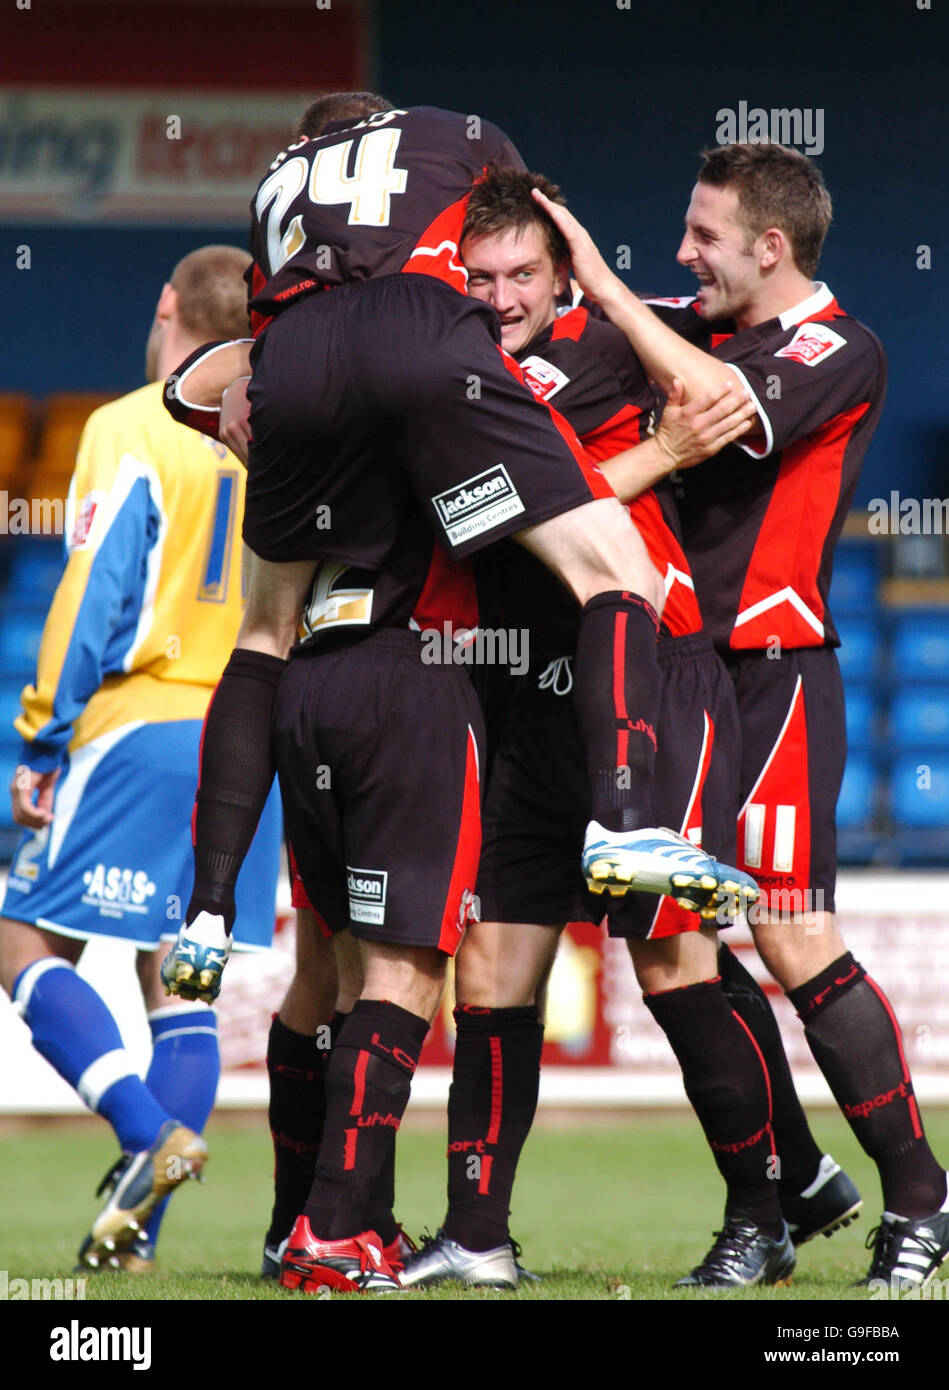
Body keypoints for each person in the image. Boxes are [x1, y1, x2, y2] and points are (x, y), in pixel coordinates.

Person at [401, 168, 857, 1291]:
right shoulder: (458, 377)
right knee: (492, 971)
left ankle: (764, 1211)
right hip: (525, 695)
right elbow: (473, 525)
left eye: (524, 275)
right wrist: (652, 457)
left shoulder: (611, 347)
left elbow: (715, 398)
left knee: (670, 961)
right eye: (482, 276)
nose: (501, 296)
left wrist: (615, 303)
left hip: (653, 680)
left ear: (562, 280)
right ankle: (478, 1234)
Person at [538, 142, 949, 1289]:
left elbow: (713, 412)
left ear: (770, 249)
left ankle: (919, 1193)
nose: (680, 254)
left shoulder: (838, 347)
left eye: (702, 235)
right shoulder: (686, 323)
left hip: (772, 676)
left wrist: (607, 289)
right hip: (665, 671)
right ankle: (765, 1206)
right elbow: (552, 351)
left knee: (792, 934)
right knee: (664, 946)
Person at [0, 246, 282, 1272]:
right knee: (183, 985)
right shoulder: (284, 428)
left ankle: (141, 1129)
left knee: (20, 941)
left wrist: (42, 731)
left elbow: (92, 591)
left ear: (167, 307)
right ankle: (134, 1239)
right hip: (252, 735)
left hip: (142, 722)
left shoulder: (129, 422)